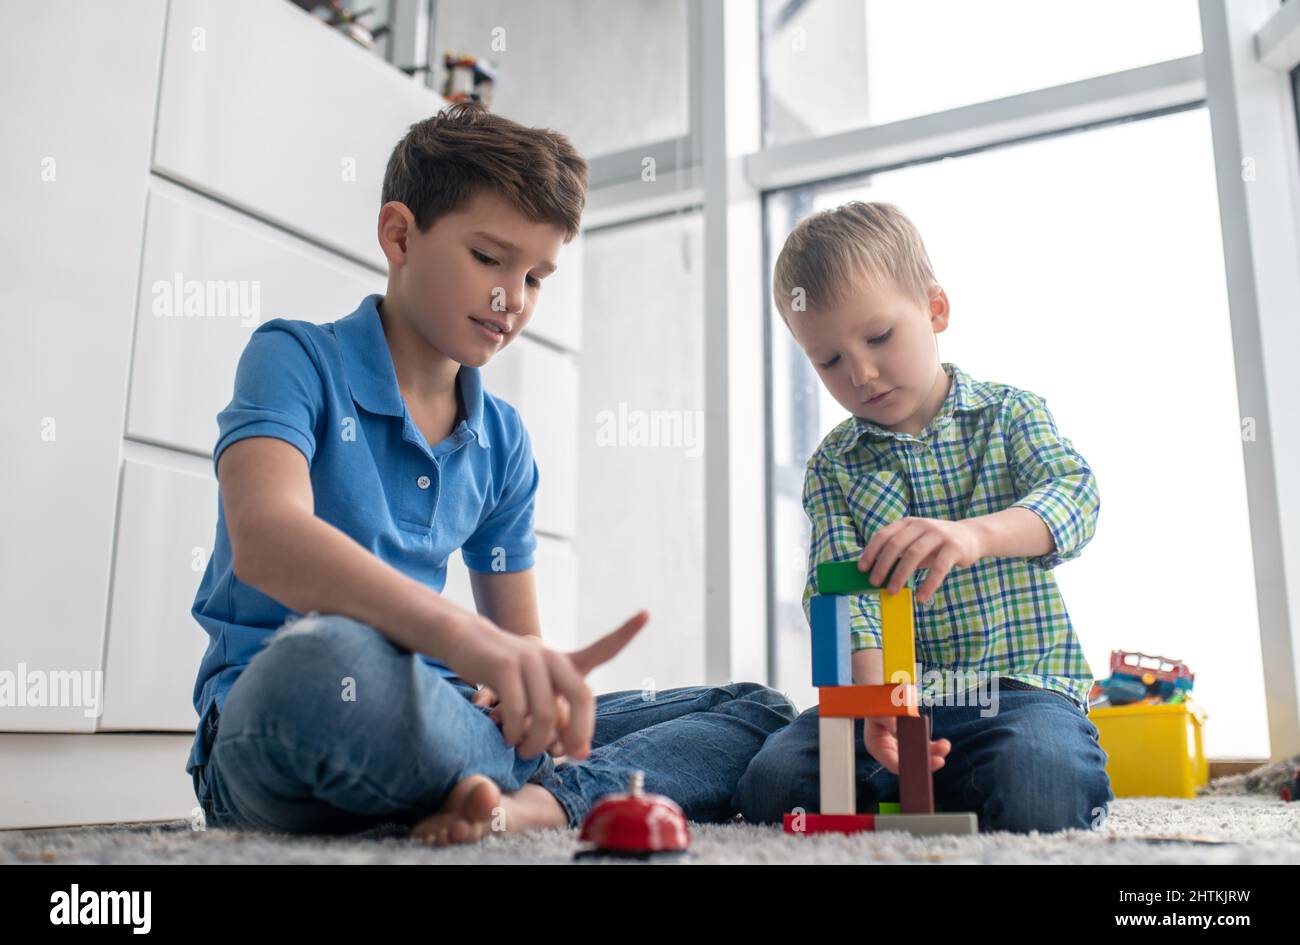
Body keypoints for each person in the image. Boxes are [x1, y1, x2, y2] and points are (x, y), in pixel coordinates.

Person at [186, 103, 797, 844]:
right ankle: (529, 789)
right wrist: (469, 646)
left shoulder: (502, 439)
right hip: (287, 718)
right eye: (489, 259)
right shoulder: (294, 357)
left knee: (757, 711)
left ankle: (534, 804)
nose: (513, 299)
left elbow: (518, 658)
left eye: (536, 275)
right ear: (400, 235)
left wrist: (534, 692)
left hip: (455, 722)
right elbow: (268, 539)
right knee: (322, 659)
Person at [735, 201, 1114, 833]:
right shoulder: (834, 465)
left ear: (935, 309)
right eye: (827, 360)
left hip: (1016, 691)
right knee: (774, 786)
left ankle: (958, 784)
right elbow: (835, 592)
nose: (860, 372)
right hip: (889, 700)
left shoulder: (1011, 415)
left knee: (1044, 790)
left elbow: (1075, 497)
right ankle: (939, 788)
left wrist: (975, 535)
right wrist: (877, 699)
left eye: (879, 337)